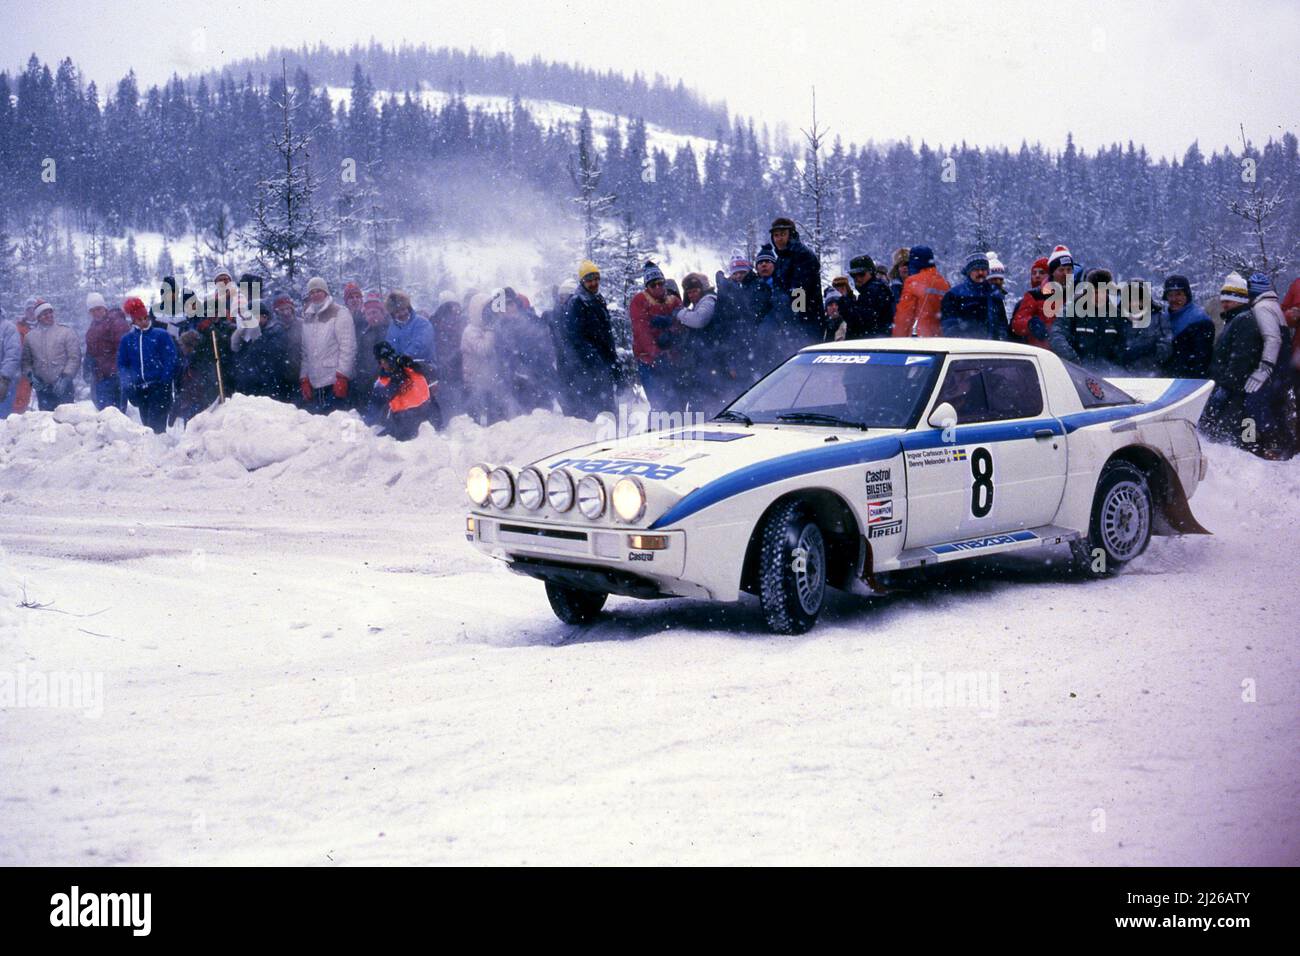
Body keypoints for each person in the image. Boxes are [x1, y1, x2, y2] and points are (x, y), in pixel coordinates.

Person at [563, 260, 621, 419]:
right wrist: (594, 359)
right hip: (587, 366)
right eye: (589, 279)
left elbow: (605, 333)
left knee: (608, 405)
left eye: (596, 279)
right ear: (582, 281)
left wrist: (612, 360)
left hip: (603, 361)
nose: (594, 283)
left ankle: (612, 431)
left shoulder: (598, 299)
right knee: (595, 409)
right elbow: (576, 337)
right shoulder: (577, 302)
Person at [117, 296, 177, 433]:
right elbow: (122, 365)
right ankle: (154, 451)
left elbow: (170, 358)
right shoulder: (127, 340)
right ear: (133, 320)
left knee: (156, 427)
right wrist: (128, 386)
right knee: (147, 427)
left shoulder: (160, 335)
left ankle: (161, 450)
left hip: (159, 387)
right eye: (139, 319)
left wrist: (165, 381)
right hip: (140, 389)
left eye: (146, 318)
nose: (143, 322)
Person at [1049, 267, 1127, 373]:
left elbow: (1123, 346)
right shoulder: (1072, 310)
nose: (1098, 296)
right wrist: (1073, 361)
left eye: (1102, 292)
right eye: (1094, 292)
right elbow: (1057, 334)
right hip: (1075, 373)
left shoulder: (1116, 316)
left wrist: (1113, 368)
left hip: (1107, 377)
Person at [629, 261, 683, 409]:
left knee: (675, 402)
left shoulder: (673, 300)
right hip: (648, 360)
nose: (658, 287)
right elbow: (641, 330)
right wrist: (655, 353)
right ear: (647, 286)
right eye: (653, 285)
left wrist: (670, 324)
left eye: (660, 283)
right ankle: (659, 430)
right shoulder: (639, 300)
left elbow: (682, 323)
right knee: (659, 402)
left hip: (672, 359)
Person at [299, 276, 357, 414]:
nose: (315, 295)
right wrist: (304, 378)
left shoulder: (339, 312)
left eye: (319, 291)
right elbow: (305, 352)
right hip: (315, 383)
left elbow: (348, 347)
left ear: (326, 292)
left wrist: (342, 376)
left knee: (337, 424)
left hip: (334, 381)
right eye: (312, 292)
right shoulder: (307, 317)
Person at [769, 216, 825, 345]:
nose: (779, 239)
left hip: (806, 320)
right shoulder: (781, 259)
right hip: (789, 320)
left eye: (783, 234)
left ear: (791, 235)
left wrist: (794, 320)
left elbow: (799, 291)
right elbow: (778, 290)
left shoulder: (803, 255)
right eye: (776, 235)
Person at [21, 300, 81, 410]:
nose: (48, 316)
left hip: (64, 386)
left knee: (66, 421)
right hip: (43, 388)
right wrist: (31, 377)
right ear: (38, 317)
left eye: (50, 312)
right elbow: (26, 362)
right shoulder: (30, 337)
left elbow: (74, 357)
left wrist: (66, 377)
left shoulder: (66, 332)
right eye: (44, 314)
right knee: (47, 422)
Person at [370, 341, 433, 441]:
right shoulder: (382, 379)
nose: (387, 363)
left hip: (427, 410)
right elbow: (379, 399)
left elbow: (431, 370)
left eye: (389, 358)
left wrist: (413, 364)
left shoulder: (406, 364)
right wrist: (395, 382)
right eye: (383, 361)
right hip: (404, 419)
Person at [230, 301, 293, 400]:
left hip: (271, 384)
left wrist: (257, 337)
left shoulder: (276, 330)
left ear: (265, 316)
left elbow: (273, 353)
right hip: (249, 383)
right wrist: (238, 333)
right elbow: (236, 351)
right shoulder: (246, 332)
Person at [940, 252, 1009, 340]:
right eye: (976, 269)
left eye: (983, 269)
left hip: (992, 348)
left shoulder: (994, 295)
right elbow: (949, 324)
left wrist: (1002, 340)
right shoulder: (955, 295)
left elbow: (1002, 324)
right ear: (969, 272)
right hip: (966, 348)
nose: (980, 272)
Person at [460, 292, 504, 425]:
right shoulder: (470, 331)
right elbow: (483, 350)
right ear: (477, 311)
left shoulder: (486, 328)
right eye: (485, 310)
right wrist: (491, 331)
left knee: (495, 416)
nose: (489, 314)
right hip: (475, 380)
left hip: (489, 379)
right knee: (475, 418)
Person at [1159, 275, 1214, 379]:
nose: (1174, 299)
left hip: (1188, 382)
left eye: (1178, 294)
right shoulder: (1163, 318)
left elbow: (1202, 360)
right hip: (1164, 381)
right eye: (1170, 295)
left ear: (1187, 295)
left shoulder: (1200, 320)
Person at [83, 293, 130, 411]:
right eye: (92, 310)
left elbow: (123, 349)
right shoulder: (93, 327)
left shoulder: (116, 322)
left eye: (98, 309)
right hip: (100, 377)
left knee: (116, 415)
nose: (96, 313)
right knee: (104, 413)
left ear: (104, 308)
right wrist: (87, 366)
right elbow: (90, 351)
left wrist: (115, 370)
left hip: (115, 377)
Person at [1118, 279, 1173, 375]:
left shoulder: (1159, 318)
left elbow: (1167, 347)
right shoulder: (1118, 319)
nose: (1135, 304)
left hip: (1153, 375)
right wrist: (1122, 354)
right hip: (1121, 375)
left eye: (1139, 299)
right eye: (1131, 299)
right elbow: (1111, 346)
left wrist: (1149, 349)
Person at [892, 245, 948, 337]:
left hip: (918, 339)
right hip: (938, 339)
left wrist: (898, 339)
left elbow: (904, 315)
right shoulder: (945, 283)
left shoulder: (912, 282)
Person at [353, 290, 390, 411]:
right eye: (368, 314)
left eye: (374, 312)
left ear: (382, 313)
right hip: (366, 379)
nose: (372, 316)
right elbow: (360, 356)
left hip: (385, 379)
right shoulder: (364, 333)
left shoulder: (390, 330)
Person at [431, 291, 465, 414]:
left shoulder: (436, 321)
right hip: (447, 364)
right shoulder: (438, 322)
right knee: (451, 395)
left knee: (454, 394)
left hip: (453, 363)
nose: (454, 309)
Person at [844, 254, 894, 339]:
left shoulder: (875, 290)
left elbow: (861, 321)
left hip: (872, 345)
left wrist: (846, 300)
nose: (857, 278)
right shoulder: (872, 290)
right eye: (853, 275)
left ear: (871, 272)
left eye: (861, 274)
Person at [1011, 257, 1052, 347]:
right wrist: (1030, 323)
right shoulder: (1024, 301)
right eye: (1034, 273)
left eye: (1042, 272)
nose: (1037, 276)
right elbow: (1014, 327)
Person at [0, 308, 21, 419]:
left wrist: (4, 378)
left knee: (2, 420)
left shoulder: (8, 328)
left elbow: (13, 355)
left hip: (4, 381)